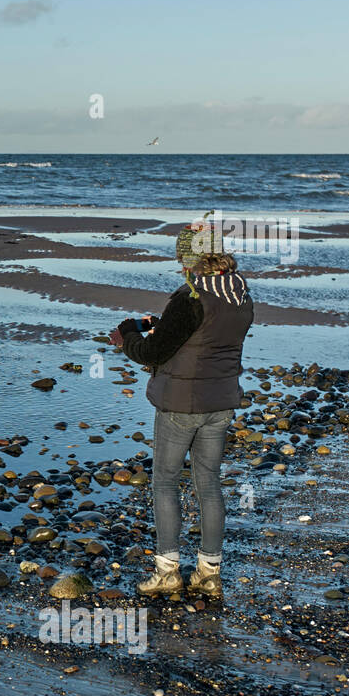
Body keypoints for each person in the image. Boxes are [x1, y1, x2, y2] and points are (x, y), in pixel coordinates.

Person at [108, 217, 254, 599]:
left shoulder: (190, 298)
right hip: (222, 400)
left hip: (181, 404)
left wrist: (126, 338)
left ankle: (168, 571)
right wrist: (165, 328)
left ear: (188, 257)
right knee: (209, 484)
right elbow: (206, 339)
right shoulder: (239, 293)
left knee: (166, 482)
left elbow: (153, 351)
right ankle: (209, 574)